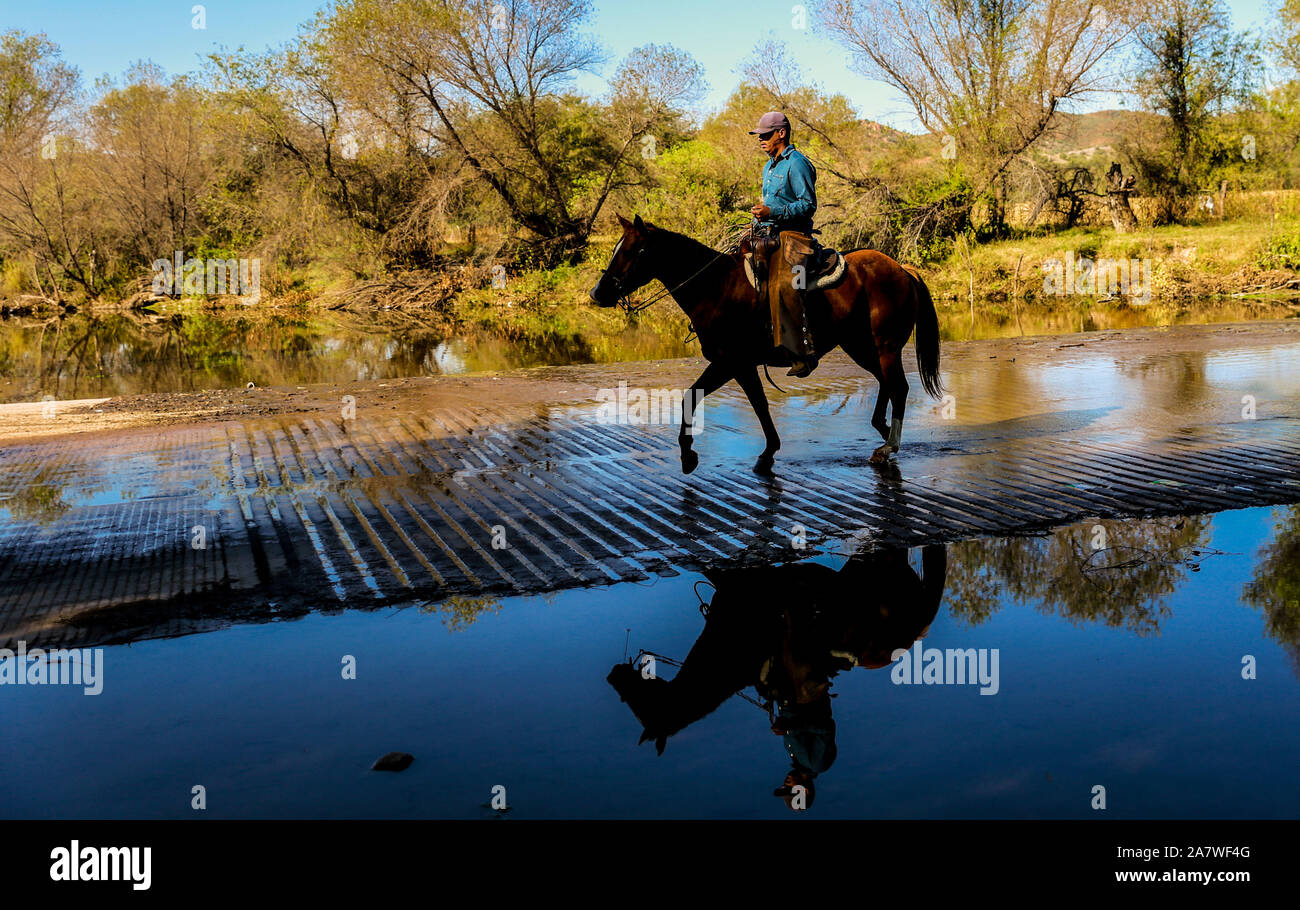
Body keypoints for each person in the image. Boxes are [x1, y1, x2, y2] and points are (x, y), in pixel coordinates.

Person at [748, 111, 820, 377]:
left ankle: (802, 353)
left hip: (795, 237)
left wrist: (772, 212)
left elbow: (808, 205)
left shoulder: (798, 163)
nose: (761, 140)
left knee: (786, 286)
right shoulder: (769, 166)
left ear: (781, 133)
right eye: (759, 136)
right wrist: (760, 217)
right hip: (768, 234)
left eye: (765, 135)